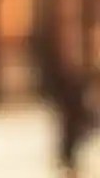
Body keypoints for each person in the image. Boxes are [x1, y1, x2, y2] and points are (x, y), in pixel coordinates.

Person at [42, 36, 96, 177]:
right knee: (72, 128)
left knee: (75, 128)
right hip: (70, 95)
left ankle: (69, 161)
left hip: (73, 96)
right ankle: (69, 162)